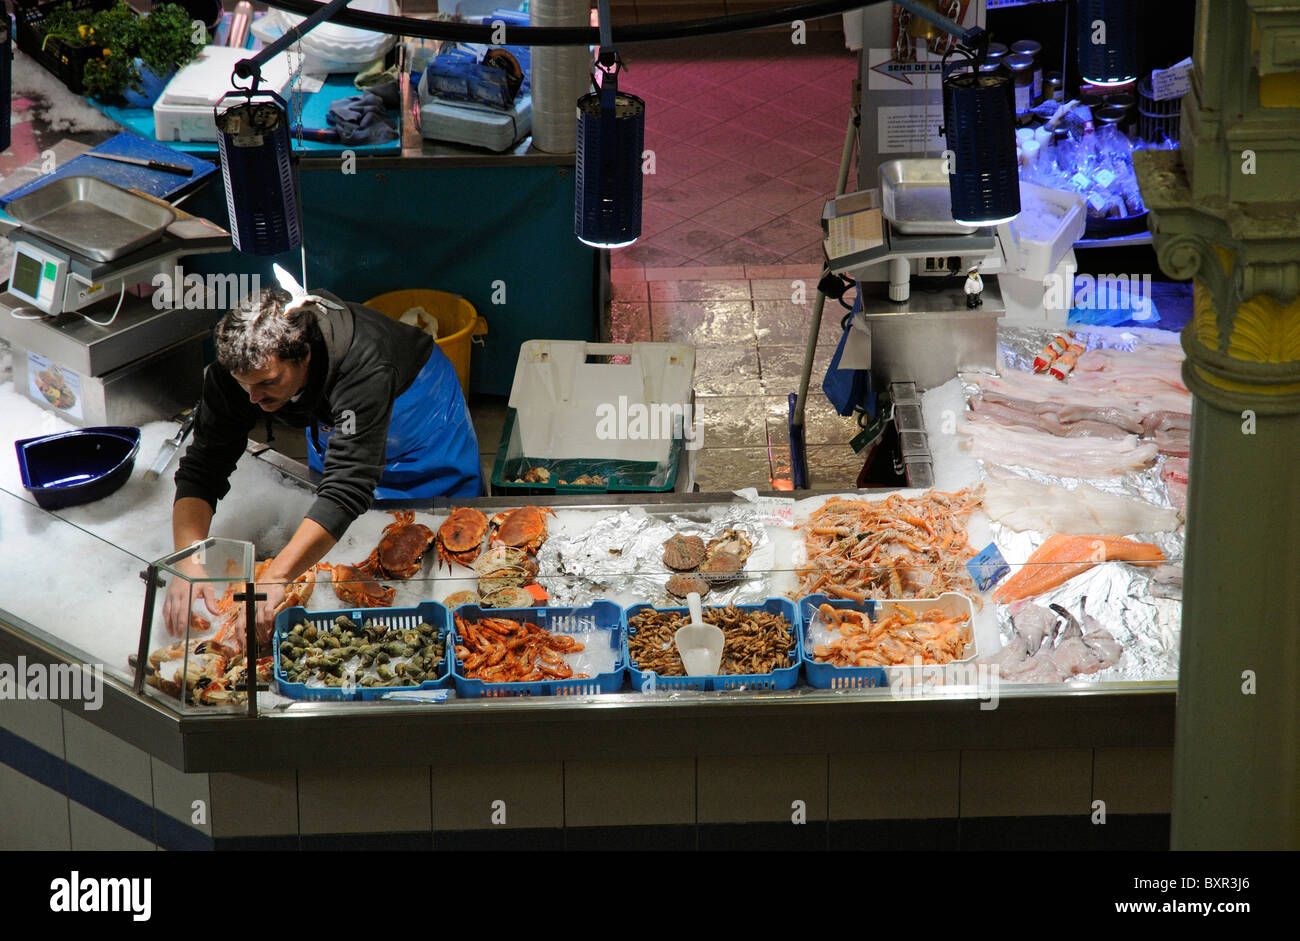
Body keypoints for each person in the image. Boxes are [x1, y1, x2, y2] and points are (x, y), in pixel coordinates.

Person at [162, 285, 481, 642]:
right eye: (244, 386)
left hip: (418, 412)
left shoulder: (366, 364)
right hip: (335, 417)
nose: (253, 399)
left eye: (267, 383)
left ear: (305, 357)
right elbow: (204, 463)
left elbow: (348, 485)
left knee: (441, 530)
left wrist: (277, 576)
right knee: (349, 528)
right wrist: (189, 560)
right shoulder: (240, 369)